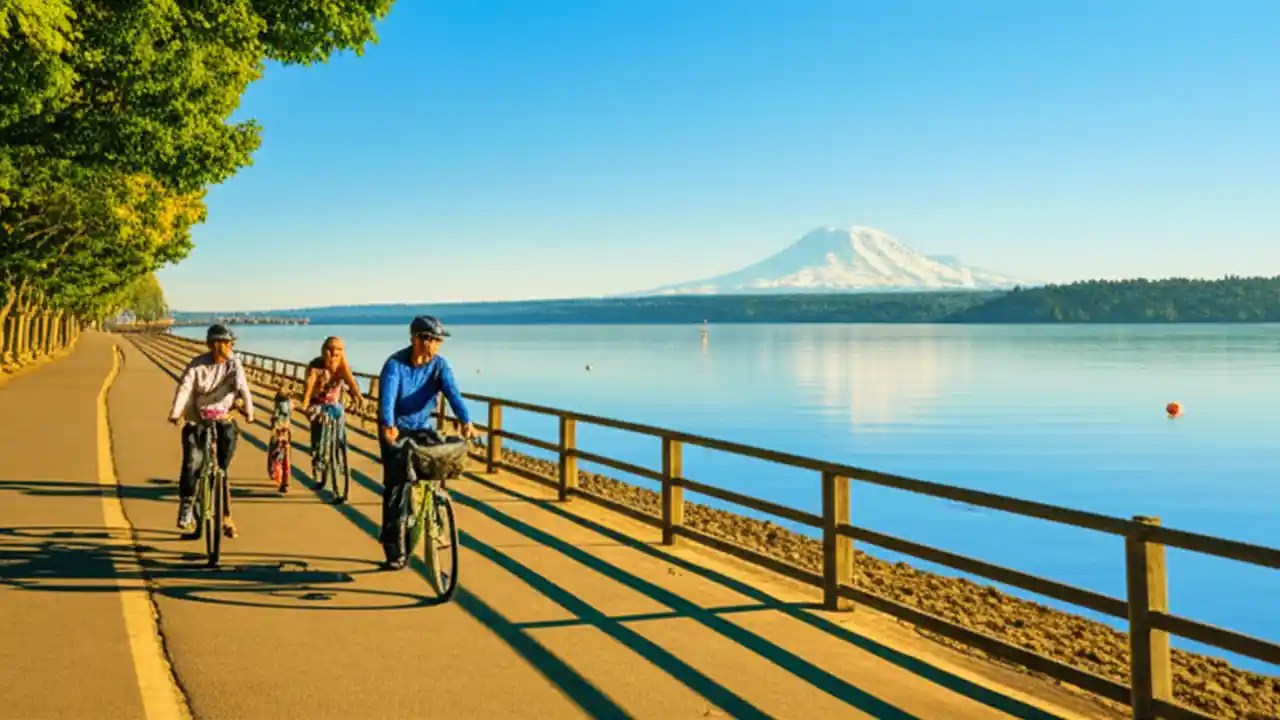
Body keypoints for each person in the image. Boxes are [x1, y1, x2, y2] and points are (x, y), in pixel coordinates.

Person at [376, 315, 474, 569]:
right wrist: (388, 425)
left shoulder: (440, 366)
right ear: (415, 338)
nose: (432, 346)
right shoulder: (395, 364)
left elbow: (452, 392)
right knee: (396, 486)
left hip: (421, 427)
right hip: (395, 428)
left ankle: (435, 507)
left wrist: (466, 420)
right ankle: (394, 549)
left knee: (439, 457)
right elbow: (386, 398)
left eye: (437, 341)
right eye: (428, 339)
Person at [168, 323, 255, 537]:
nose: (227, 348)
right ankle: (187, 506)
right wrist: (176, 413)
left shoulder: (234, 365)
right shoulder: (197, 366)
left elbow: (244, 388)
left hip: (223, 417)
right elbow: (185, 388)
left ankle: (224, 508)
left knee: (223, 463)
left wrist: (250, 412)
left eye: (229, 344)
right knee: (192, 463)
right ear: (213, 345)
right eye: (224, 343)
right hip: (198, 418)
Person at [301, 336, 363, 489]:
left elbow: (351, 383)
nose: (334, 355)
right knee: (318, 433)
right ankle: (318, 458)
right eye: (330, 351)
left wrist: (358, 397)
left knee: (340, 426)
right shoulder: (316, 366)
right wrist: (305, 403)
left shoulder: (342, 366)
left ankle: (340, 453)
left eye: (338, 351)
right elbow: (308, 387)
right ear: (324, 351)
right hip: (318, 404)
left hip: (334, 404)